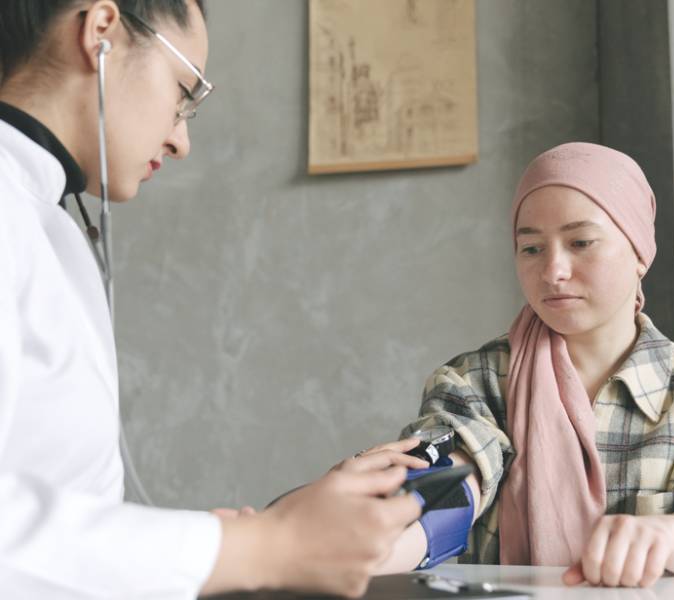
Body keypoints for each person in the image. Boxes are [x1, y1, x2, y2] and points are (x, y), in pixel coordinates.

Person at [0, 1, 427, 597]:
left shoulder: (54, 227)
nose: (180, 140)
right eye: (184, 93)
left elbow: (61, 512)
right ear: (101, 33)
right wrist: (260, 548)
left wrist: (272, 530)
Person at [373, 142, 674, 587]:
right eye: (532, 248)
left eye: (580, 242)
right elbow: (452, 476)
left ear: (639, 251)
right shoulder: (474, 382)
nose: (553, 270)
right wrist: (380, 541)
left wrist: (667, 536)